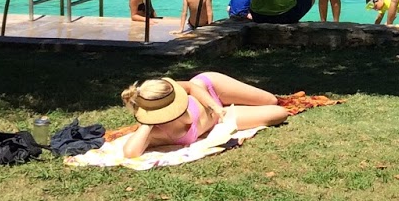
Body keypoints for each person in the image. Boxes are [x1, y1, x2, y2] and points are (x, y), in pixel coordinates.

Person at [120, 73, 289, 158]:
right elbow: (130, 153)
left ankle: (229, 102)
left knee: (271, 100)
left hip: (211, 87)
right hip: (219, 120)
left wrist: (215, 106)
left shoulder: (168, 91)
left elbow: (191, 87)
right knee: (279, 112)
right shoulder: (155, 132)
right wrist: (148, 122)